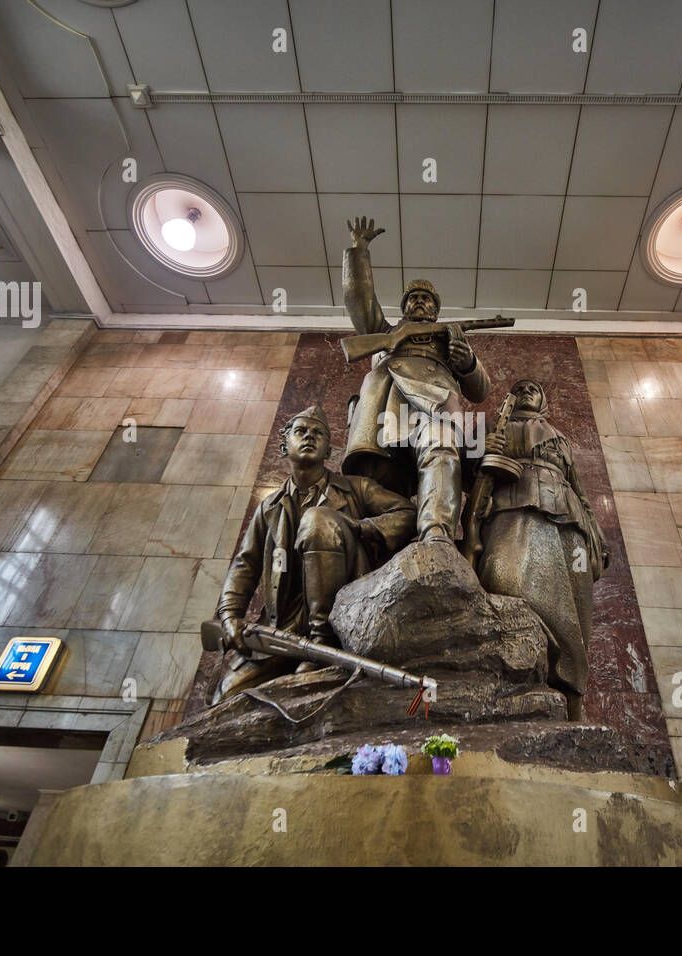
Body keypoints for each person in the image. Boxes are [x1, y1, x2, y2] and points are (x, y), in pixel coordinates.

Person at [212, 405, 415, 704]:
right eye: (301, 431)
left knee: (318, 519)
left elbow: (406, 512)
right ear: (284, 446)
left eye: (318, 433)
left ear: (329, 450)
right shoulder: (268, 508)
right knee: (226, 696)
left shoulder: (356, 489)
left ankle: (323, 648)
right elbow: (245, 565)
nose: (309, 436)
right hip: (282, 627)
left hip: (341, 620)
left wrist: (359, 528)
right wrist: (230, 615)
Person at [340, 216, 490, 543]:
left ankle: (436, 537)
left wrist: (466, 363)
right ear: (405, 307)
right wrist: (359, 250)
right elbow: (359, 301)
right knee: (381, 488)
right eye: (413, 298)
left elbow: (481, 391)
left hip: (436, 408)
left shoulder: (452, 340)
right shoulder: (387, 333)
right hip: (387, 411)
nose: (420, 302)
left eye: (427, 299)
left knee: (443, 448)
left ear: (436, 312)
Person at [476, 380, 610, 719]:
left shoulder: (560, 438)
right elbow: (469, 479)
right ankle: (515, 684)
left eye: (532, 388)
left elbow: (579, 490)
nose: (525, 391)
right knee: (506, 582)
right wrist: (480, 451)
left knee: (576, 616)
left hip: (568, 524)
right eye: (518, 388)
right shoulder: (496, 427)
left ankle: (571, 704)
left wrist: (595, 533)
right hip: (513, 513)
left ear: (544, 399)